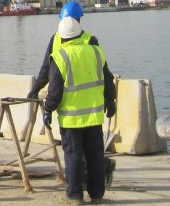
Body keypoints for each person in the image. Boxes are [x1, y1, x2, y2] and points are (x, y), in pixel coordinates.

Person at [44, 16, 116, 203]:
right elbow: (108, 79)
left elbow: (54, 91)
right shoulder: (96, 52)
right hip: (94, 115)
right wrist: (111, 101)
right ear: (79, 33)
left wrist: (47, 110)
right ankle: (97, 193)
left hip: (71, 118)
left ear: (62, 37)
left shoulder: (60, 57)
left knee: (73, 156)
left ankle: (75, 194)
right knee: (95, 155)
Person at [27, 1, 98, 100]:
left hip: (81, 99)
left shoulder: (90, 41)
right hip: (62, 100)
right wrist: (36, 89)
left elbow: (101, 70)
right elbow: (46, 68)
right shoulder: (55, 39)